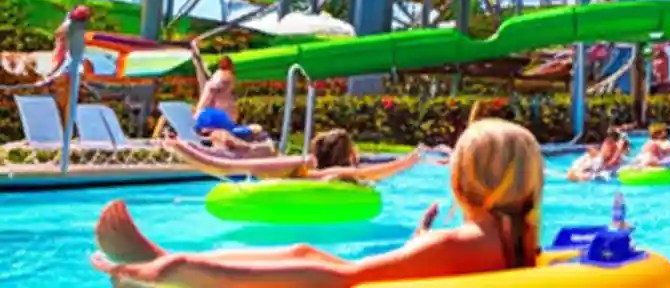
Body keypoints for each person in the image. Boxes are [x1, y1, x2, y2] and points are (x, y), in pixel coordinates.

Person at [92, 118, 545, 286]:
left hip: (356, 279)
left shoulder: (461, 238)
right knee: (302, 251)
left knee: (328, 267)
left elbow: (347, 278)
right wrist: (422, 241)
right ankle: (164, 256)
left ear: (462, 182)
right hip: (435, 254)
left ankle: (178, 270)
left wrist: (426, 243)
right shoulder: (521, 237)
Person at [165, 128, 426, 183]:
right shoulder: (329, 172)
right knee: (226, 165)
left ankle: (193, 150)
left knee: (235, 162)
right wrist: (406, 162)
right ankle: (194, 151)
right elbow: (365, 173)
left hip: (297, 173)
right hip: (297, 170)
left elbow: (366, 175)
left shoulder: (322, 170)